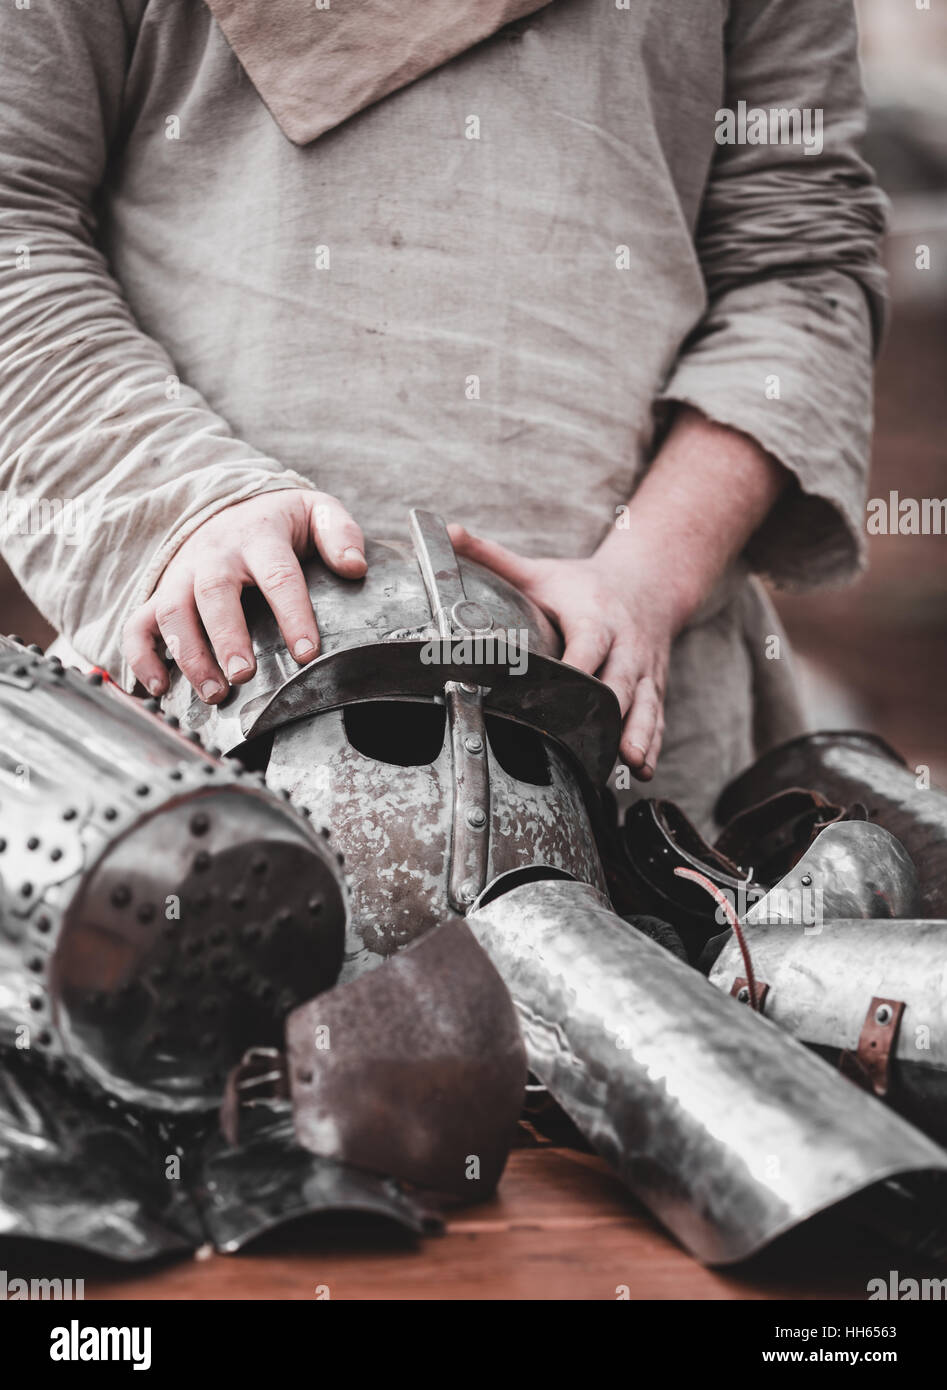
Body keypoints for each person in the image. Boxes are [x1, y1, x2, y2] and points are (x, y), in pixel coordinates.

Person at [0, 0, 886, 831]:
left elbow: (799, 263)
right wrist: (180, 497)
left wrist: (648, 577)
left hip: (627, 749)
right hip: (193, 729)